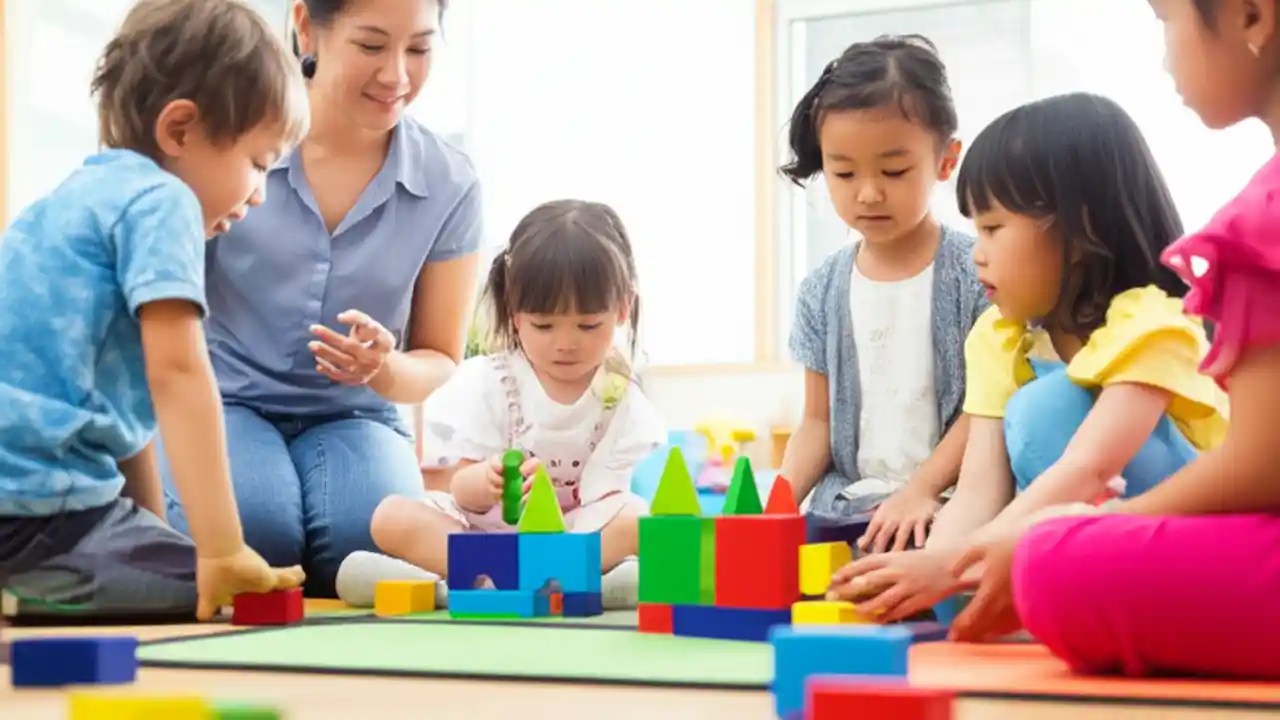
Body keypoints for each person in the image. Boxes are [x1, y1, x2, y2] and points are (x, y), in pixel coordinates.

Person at [944, 0, 1280, 678]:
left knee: (1053, 563)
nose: (1164, 54)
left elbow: (1259, 465)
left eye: (1166, 19)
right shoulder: (999, 335)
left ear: (1251, 15)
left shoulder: (1234, 241)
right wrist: (947, 562)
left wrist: (1076, 531)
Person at [828, 91, 1231, 623]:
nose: (977, 250)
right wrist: (929, 574)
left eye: (993, 228)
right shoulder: (999, 337)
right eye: (975, 229)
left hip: (1195, 542)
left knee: (1047, 407)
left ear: (1080, 230)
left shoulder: (1153, 322)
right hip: (1082, 536)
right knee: (953, 600)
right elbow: (977, 493)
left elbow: (1091, 467)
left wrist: (953, 565)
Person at [159, 0, 483, 598]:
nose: (397, 76)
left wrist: (385, 369)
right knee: (254, 535)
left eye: (418, 48)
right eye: (370, 46)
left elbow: (439, 356)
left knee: (374, 541)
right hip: (222, 402)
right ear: (306, 26)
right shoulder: (227, 145)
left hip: (356, 415)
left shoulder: (449, 183)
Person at [0, 0, 308, 621]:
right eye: (257, 162)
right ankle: (31, 586)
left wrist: (154, 536)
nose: (259, 194)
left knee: (176, 565)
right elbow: (177, 376)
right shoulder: (161, 201)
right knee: (234, 593)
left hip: (31, 504)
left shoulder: (72, 199)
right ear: (180, 130)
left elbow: (131, 418)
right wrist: (220, 549)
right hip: (38, 519)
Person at [368, 199, 666, 608]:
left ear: (622, 310)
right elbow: (461, 491)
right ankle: (532, 579)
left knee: (640, 521)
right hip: (488, 537)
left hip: (568, 535)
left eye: (588, 324)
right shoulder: (492, 382)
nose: (565, 343)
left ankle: (505, 581)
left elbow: (607, 500)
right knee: (390, 517)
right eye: (543, 325)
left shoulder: (619, 393)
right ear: (514, 312)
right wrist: (485, 481)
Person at [778, 34, 988, 553]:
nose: (868, 192)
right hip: (848, 508)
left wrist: (920, 491)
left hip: (952, 502)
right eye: (844, 172)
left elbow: (987, 410)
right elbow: (816, 423)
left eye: (894, 171)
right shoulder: (821, 289)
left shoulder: (978, 272)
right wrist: (772, 514)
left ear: (946, 160)